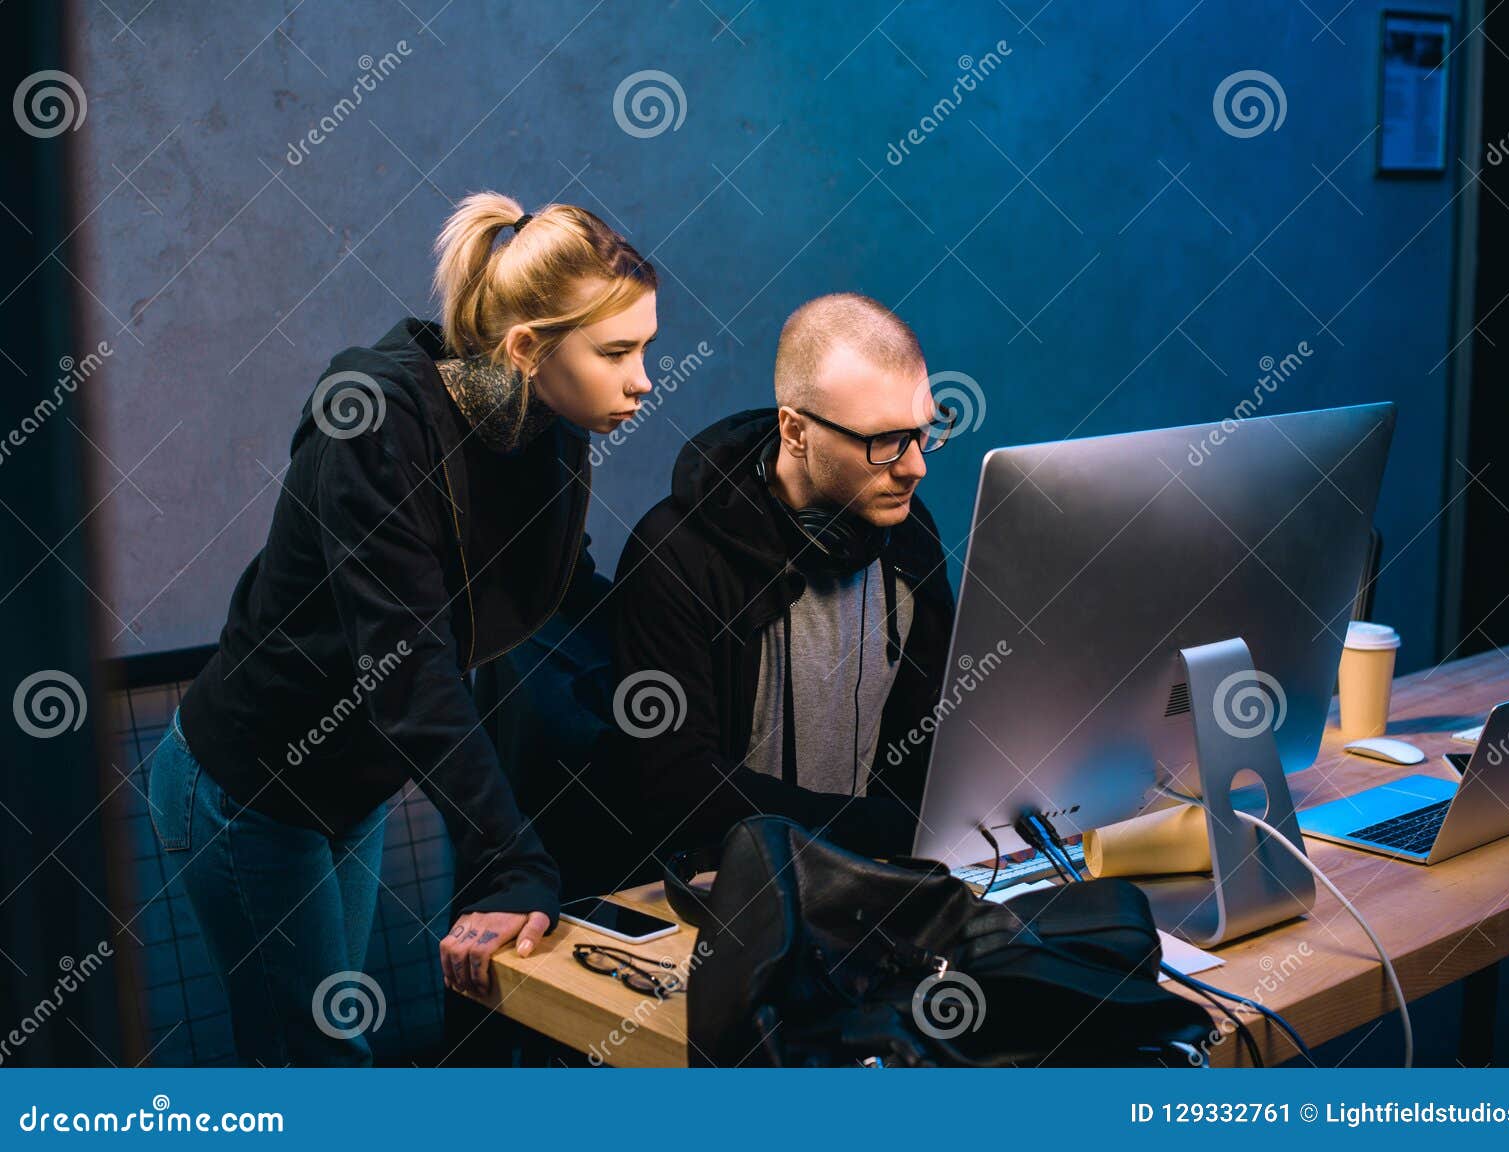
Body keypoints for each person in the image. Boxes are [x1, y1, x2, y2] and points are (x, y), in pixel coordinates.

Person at [145, 194, 658, 1065]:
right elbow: (406, 664)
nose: (643, 378)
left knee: (337, 1047)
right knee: (318, 1067)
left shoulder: (550, 429)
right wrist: (511, 865)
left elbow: (569, 589)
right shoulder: (373, 420)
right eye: (617, 352)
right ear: (528, 348)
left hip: (352, 788)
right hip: (251, 793)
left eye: (644, 348)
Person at [602, 292, 956, 864]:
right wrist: (885, 832)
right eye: (883, 442)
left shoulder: (909, 536)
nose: (915, 466)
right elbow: (675, 790)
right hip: (720, 901)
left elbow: (931, 742)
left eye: (922, 432)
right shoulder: (674, 556)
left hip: (869, 891)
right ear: (795, 432)